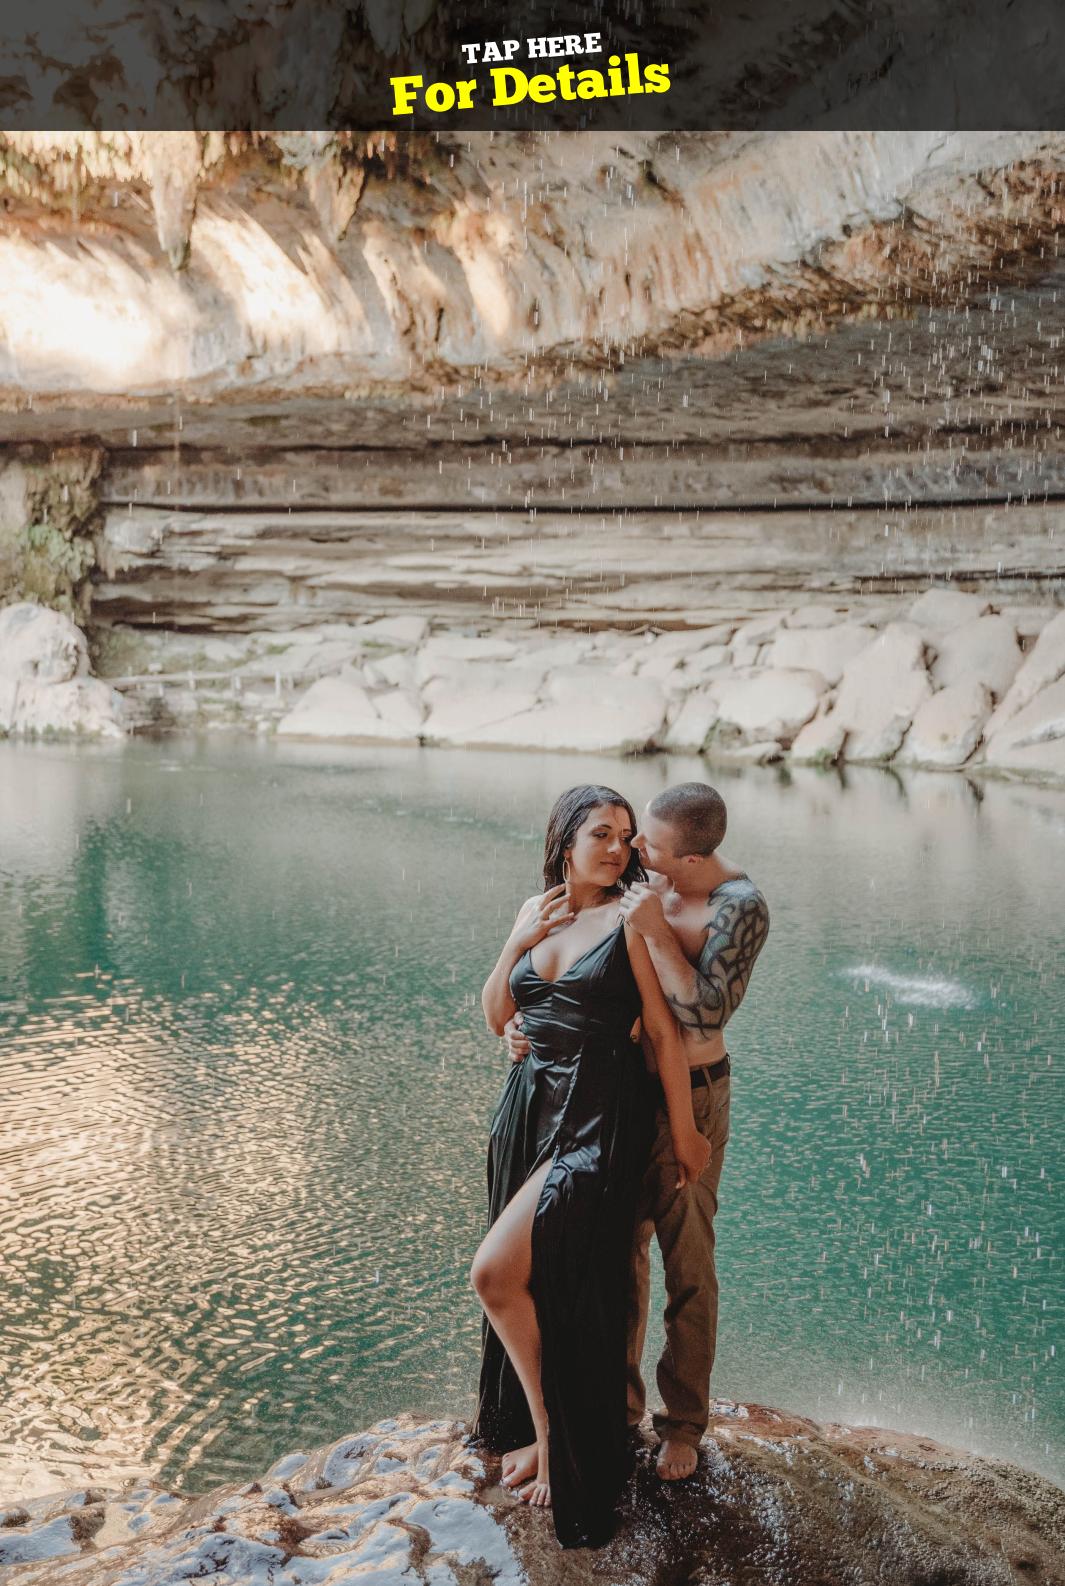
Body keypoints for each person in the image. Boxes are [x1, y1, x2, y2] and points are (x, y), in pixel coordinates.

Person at [505, 780, 769, 1484]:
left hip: (694, 1097)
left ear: (684, 859)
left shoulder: (737, 908)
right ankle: (615, 1411)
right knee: (613, 1258)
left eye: (646, 844)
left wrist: (652, 932)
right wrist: (524, 1022)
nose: (631, 854)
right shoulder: (641, 878)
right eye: (627, 841)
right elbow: (576, 969)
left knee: (688, 1261)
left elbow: (702, 1018)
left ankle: (681, 1423)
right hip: (615, 1099)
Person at [471, 784, 710, 1549]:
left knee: (495, 1274)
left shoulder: (631, 920)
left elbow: (666, 1040)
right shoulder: (537, 909)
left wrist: (684, 1136)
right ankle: (544, 1431)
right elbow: (496, 1015)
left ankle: (556, 1440)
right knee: (537, 1279)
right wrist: (514, 944)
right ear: (565, 840)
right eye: (600, 834)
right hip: (528, 1113)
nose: (617, 849)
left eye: (626, 835)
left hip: (596, 1124)